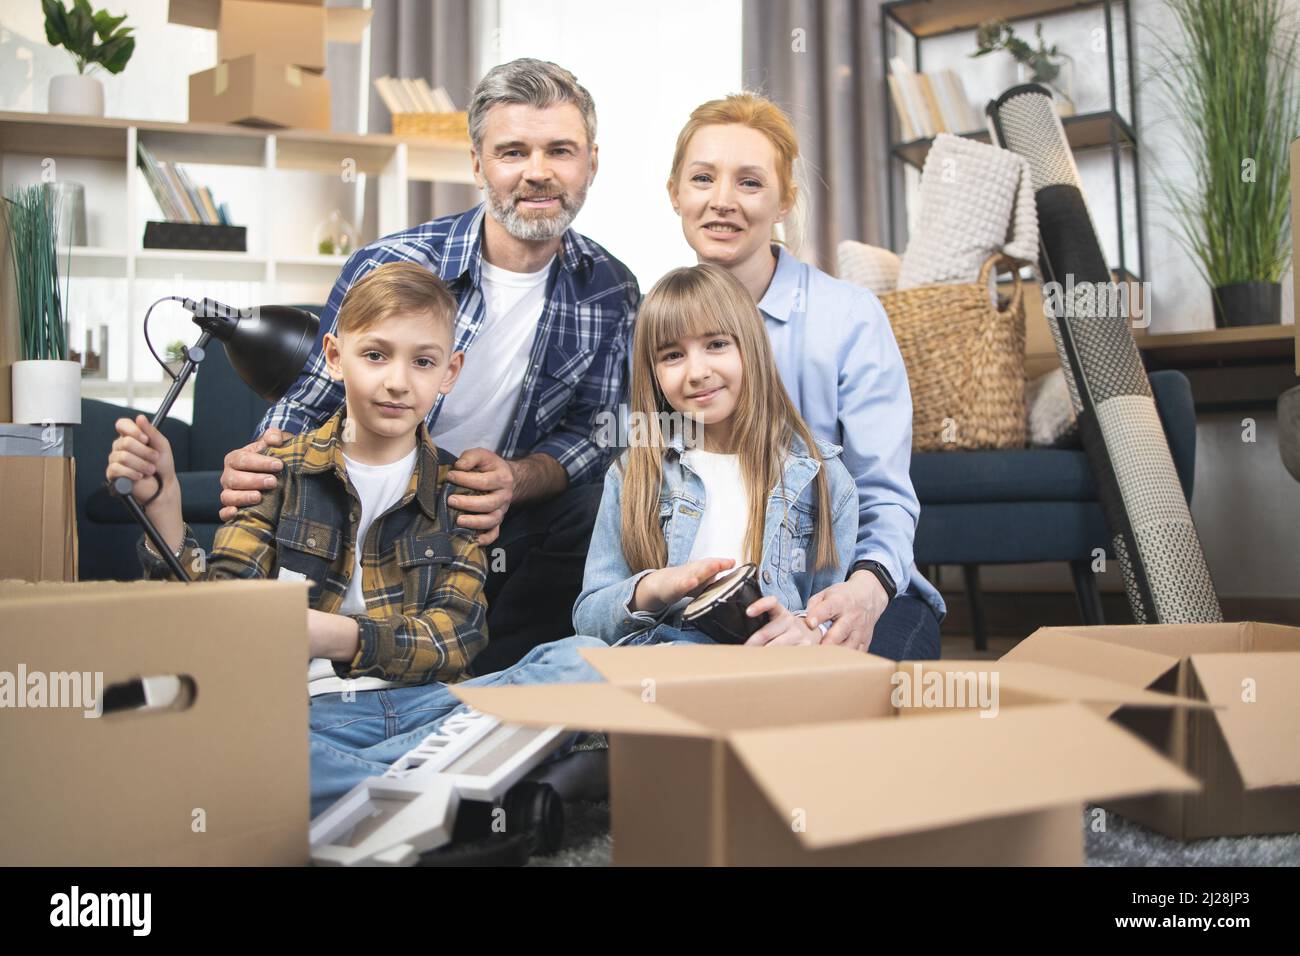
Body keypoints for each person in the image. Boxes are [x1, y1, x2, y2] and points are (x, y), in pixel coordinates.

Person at [106, 262, 603, 817]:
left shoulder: (456, 488)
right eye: (375, 355)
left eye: (422, 361)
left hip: (429, 709)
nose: (397, 381)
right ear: (335, 357)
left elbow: (457, 640)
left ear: (450, 371)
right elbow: (219, 623)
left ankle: (397, 790)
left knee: (586, 659)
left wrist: (330, 635)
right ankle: (463, 789)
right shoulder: (275, 471)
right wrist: (165, 506)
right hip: (305, 714)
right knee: (183, 733)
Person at [215, 58, 639, 673]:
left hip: (496, 521)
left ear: (591, 164)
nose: (538, 173)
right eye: (513, 151)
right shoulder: (392, 262)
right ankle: (422, 668)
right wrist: (263, 462)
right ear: (477, 164)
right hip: (379, 497)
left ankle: (497, 677)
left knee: (599, 502)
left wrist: (517, 479)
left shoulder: (613, 291)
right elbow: (312, 397)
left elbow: (597, 431)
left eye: (560, 151)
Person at [663, 93, 946, 659]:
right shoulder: (656, 329)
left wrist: (865, 591)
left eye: (749, 182)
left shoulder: (850, 317)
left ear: (785, 199)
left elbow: (885, 495)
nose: (722, 202)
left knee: (847, 712)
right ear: (675, 193)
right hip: (707, 607)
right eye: (702, 179)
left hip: (844, 592)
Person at [574, 263, 858, 647]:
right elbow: (590, 620)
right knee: (572, 652)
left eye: (717, 344)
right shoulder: (634, 473)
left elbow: (830, 613)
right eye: (672, 355)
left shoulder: (822, 477)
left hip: (759, 667)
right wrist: (657, 587)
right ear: (652, 372)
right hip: (655, 662)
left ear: (751, 347)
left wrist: (809, 630)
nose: (697, 371)